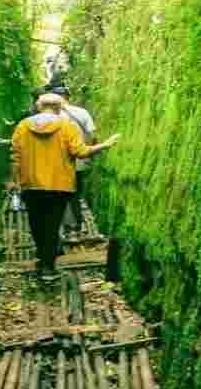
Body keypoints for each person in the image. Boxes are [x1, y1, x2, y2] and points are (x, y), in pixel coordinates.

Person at [9, 93, 120, 279]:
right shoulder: (67, 127)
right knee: (52, 224)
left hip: (31, 184)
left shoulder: (22, 126)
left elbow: (15, 156)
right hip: (59, 184)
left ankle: (42, 258)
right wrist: (104, 145)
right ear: (59, 108)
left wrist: (14, 180)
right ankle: (48, 267)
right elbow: (80, 152)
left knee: (36, 223)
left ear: (38, 106)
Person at [51, 85, 96, 233]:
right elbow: (92, 134)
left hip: (58, 162)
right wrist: (88, 150)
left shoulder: (52, 115)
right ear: (68, 96)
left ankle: (64, 225)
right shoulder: (82, 112)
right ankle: (76, 223)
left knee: (60, 192)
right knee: (76, 192)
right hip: (80, 159)